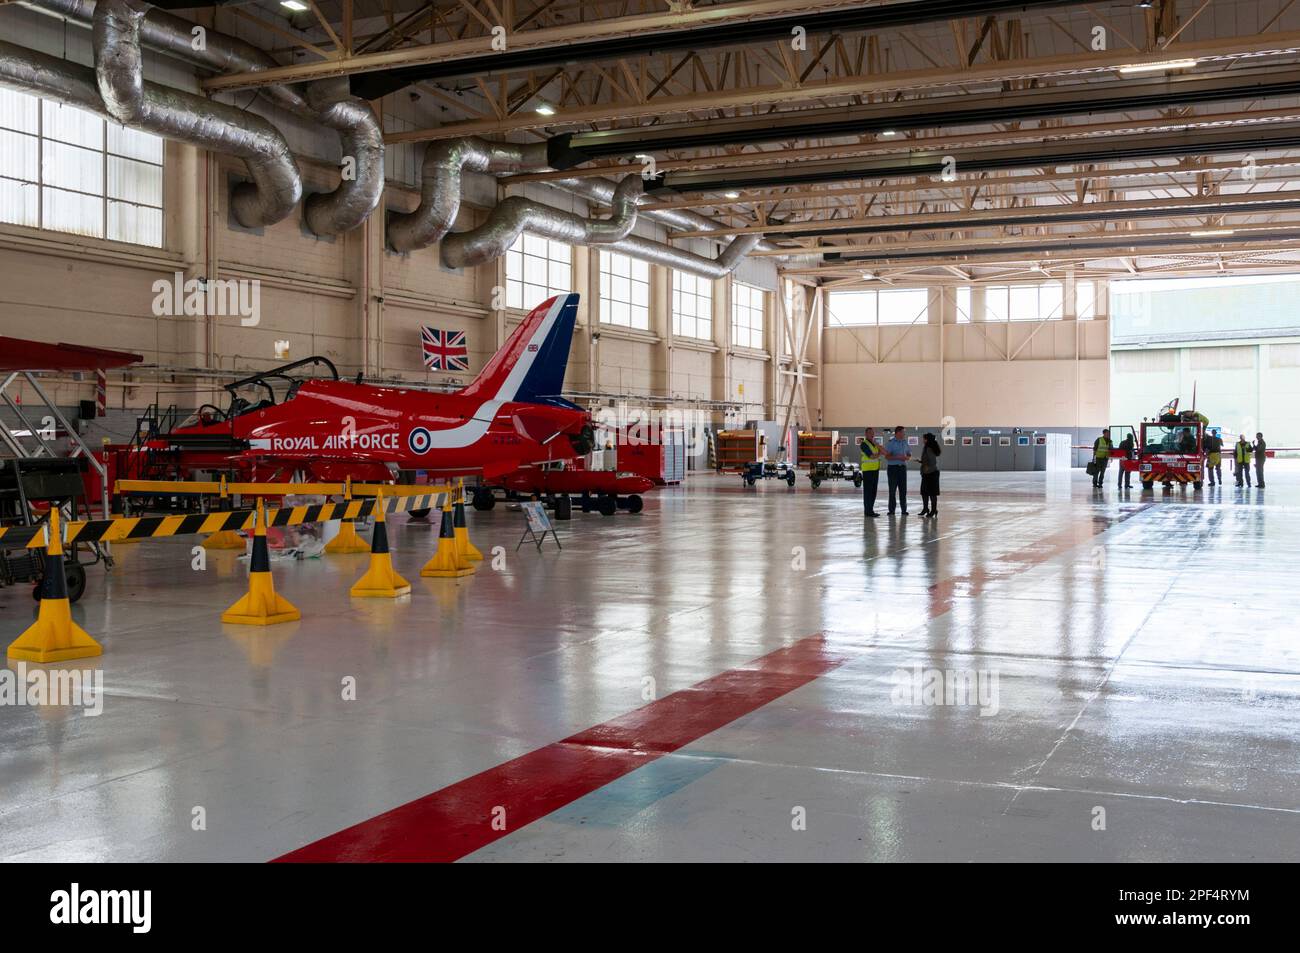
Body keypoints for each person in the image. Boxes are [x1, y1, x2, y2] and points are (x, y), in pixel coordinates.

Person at [884, 425, 912, 515]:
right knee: (892, 490)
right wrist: (898, 457)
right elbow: (887, 456)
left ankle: (904, 510)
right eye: (903, 432)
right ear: (898, 433)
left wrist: (907, 457)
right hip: (893, 469)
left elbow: (909, 453)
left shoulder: (905, 442)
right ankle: (891, 510)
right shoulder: (891, 443)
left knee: (903, 490)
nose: (904, 434)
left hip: (902, 468)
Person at [859, 428, 884, 517]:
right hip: (868, 471)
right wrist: (880, 453)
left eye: (873, 433)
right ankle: (868, 511)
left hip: (875, 470)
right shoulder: (864, 444)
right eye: (870, 433)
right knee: (868, 492)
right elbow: (871, 456)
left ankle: (870, 510)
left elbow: (882, 451)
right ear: (866, 434)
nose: (872, 435)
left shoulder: (874, 443)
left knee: (873, 491)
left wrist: (879, 448)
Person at [919, 433, 942, 517]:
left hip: (931, 474)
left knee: (932, 493)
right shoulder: (926, 448)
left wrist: (926, 468)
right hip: (926, 473)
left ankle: (933, 510)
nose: (923, 440)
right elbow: (927, 460)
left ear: (927, 440)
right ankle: (925, 509)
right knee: (924, 492)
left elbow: (932, 462)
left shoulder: (928, 449)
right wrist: (921, 461)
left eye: (924, 439)